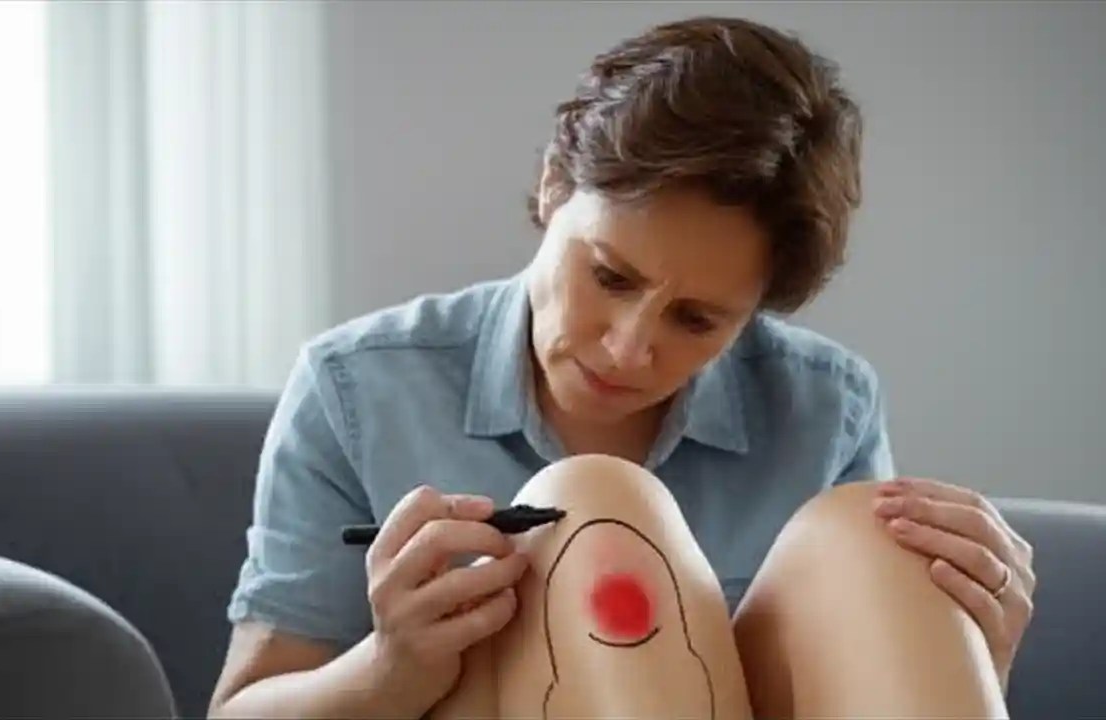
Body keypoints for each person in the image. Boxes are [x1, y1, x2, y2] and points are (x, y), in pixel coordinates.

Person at [206, 14, 1036, 720]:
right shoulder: (358, 388)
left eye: (698, 319)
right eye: (609, 276)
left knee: (880, 540)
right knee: (594, 510)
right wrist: (393, 667)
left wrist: (965, 638)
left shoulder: (826, 406)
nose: (629, 348)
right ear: (551, 184)